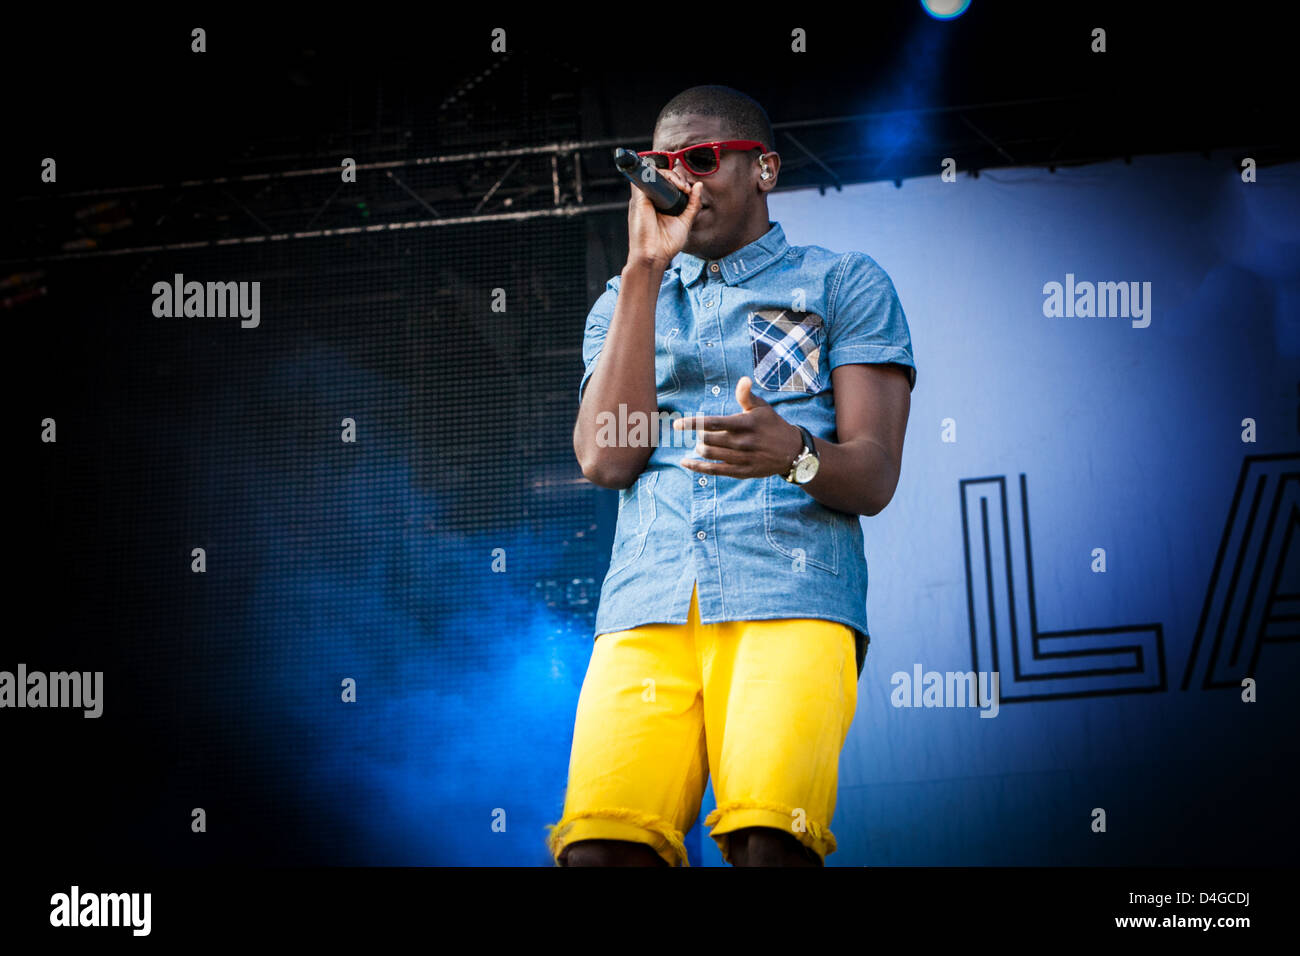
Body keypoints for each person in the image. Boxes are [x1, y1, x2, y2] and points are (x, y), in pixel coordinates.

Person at [546, 85, 916, 867]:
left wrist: (795, 453)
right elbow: (606, 458)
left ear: (764, 169)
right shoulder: (621, 301)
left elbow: (875, 475)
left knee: (766, 843)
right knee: (600, 850)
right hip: (646, 607)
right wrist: (644, 268)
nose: (682, 179)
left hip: (789, 596)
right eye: (665, 164)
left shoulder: (843, 283)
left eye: (703, 159)